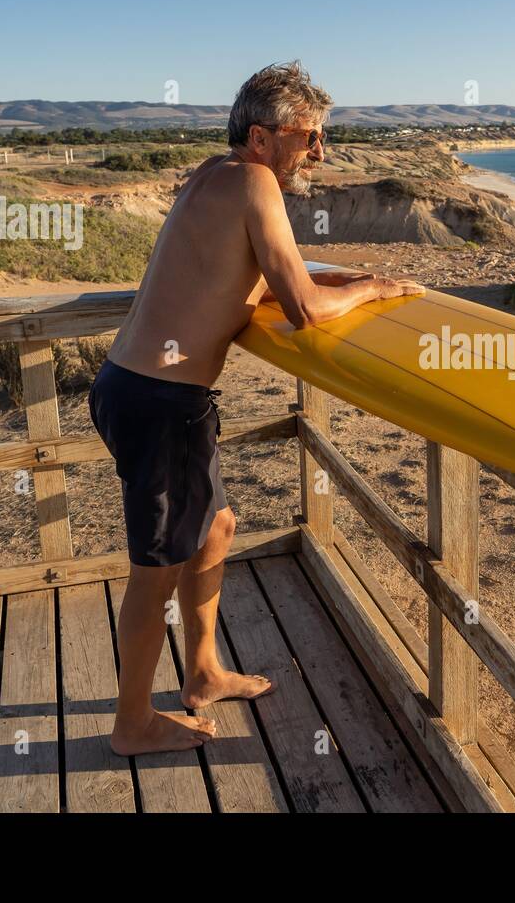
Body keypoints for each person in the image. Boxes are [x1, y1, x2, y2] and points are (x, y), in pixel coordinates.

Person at [89, 62, 423, 755]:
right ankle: (132, 725)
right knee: (153, 578)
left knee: (216, 527)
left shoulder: (215, 172)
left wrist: (345, 279)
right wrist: (378, 287)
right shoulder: (256, 182)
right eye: (311, 137)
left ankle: (203, 671)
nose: (320, 152)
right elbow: (302, 308)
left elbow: (264, 276)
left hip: (129, 386)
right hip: (164, 403)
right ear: (266, 137)